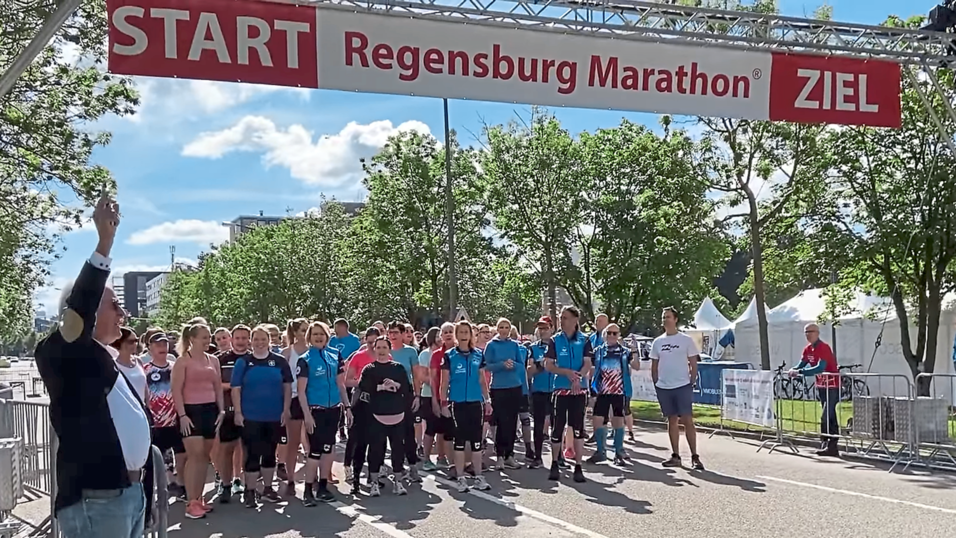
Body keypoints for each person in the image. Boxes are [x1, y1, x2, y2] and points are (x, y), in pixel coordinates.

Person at [35, 194, 154, 538]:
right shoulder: (63, 352)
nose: (123, 314)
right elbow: (79, 314)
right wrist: (104, 243)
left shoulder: (104, 357)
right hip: (96, 500)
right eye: (114, 305)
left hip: (126, 496)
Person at [232, 325, 293, 507]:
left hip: (274, 415)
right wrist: (237, 412)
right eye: (256, 339)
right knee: (252, 454)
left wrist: (286, 409)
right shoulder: (244, 362)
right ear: (251, 341)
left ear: (269, 341)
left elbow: (287, 386)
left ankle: (267, 488)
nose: (260, 343)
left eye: (263, 339)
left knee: (269, 454)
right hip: (250, 416)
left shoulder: (280, 361)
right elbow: (236, 388)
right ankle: (249, 491)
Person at [171, 321, 225, 519]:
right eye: (203, 337)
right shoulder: (182, 361)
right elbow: (176, 390)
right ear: (192, 339)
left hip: (211, 411)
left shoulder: (213, 360)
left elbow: (218, 387)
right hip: (191, 412)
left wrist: (221, 411)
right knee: (195, 456)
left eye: (208, 337)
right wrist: (182, 415)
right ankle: (191, 502)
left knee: (204, 457)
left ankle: (199, 498)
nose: (207, 340)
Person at [296, 321, 351, 505]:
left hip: (334, 410)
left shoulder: (335, 355)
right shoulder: (305, 359)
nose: (319, 337)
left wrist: (348, 407)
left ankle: (323, 486)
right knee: (315, 452)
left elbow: (341, 385)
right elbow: (301, 392)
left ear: (327, 336)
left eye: (322, 334)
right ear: (309, 338)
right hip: (315, 411)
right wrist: (307, 415)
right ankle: (308, 490)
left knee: (329, 448)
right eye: (315, 334)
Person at [359, 336, 417, 497]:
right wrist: (381, 387)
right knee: (376, 450)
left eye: (385, 347)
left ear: (389, 349)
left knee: (398, 449)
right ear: (374, 349)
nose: (382, 350)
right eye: (379, 347)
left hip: (397, 414)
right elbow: (364, 389)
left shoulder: (398, 368)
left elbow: (407, 388)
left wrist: (396, 385)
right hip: (376, 416)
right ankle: (374, 483)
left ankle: (398, 482)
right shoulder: (369, 369)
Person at [441, 320, 492, 493]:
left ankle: (478, 476)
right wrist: (443, 403)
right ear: (456, 335)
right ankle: (461, 477)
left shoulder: (478, 354)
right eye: (460, 332)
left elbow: (482, 380)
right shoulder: (449, 355)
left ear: (471, 335)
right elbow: (444, 381)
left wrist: (487, 400)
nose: (464, 335)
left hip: (475, 403)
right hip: (457, 403)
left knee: (477, 442)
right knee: (460, 441)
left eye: (466, 332)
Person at [651, 307, 704, 470]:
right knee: (672, 420)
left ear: (675, 319)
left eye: (668, 317)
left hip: (682, 385)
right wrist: (657, 383)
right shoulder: (658, 342)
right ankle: (675, 455)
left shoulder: (686, 340)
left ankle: (695, 456)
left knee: (687, 420)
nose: (665, 320)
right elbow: (654, 366)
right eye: (663, 317)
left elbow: (693, 363)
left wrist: (691, 381)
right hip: (664, 387)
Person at [545, 306, 591, 483]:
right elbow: (549, 365)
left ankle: (578, 466)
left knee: (578, 428)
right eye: (561, 317)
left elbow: (587, 363)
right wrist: (566, 372)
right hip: (560, 390)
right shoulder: (555, 340)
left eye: (565, 318)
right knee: (557, 428)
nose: (562, 321)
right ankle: (555, 462)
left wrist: (578, 377)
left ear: (575, 320)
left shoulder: (584, 340)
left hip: (579, 390)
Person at [143, 332, 187, 498]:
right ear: (149, 348)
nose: (162, 347)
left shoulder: (175, 367)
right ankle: (169, 484)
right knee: (162, 456)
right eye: (157, 345)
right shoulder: (145, 369)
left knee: (182, 453)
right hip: (156, 421)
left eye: (164, 344)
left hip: (176, 417)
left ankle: (182, 483)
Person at [789, 323, 840, 457]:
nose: (808, 335)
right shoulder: (807, 349)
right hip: (821, 386)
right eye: (806, 332)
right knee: (830, 416)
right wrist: (794, 369)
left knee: (826, 415)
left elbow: (820, 367)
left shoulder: (824, 347)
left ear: (817, 333)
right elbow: (802, 363)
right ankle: (831, 445)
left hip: (832, 386)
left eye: (810, 332)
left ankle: (828, 442)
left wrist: (800, 371)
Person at [588, 323, 635, 466]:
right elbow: (591, 370)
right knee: (597, 419)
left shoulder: (625, 351)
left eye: (615, 333)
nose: (612, 336)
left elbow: (636, 366)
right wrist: (592, 390)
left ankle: (618, 451)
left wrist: (635, 351)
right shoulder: (598, 351)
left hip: (619, 392)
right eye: (609, 333)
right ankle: (600, 451)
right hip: (602, 391)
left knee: (618, 421)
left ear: (619, 335)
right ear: (604, 335)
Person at [214, 325, 251, 503]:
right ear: (232, 339)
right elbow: (214, 384)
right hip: (228, 411)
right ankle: (225, 484)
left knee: (247, 449)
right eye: (238, 338)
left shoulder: (254, 358)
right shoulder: (219, 359)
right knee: (226, 450)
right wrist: (234, 386)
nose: (241, 341)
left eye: (245, 338)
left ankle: (243, 483)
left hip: (251, 411)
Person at [483, 318, 526, 470]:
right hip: (498, 388)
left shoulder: (515, 345)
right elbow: (486, 366)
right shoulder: (491, 345)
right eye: (501, 327)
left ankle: (510, 455)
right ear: (497, 328)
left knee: (512, 422)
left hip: (514, 386)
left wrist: (513, 364)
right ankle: (500, 456)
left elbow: (522, 366)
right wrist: (501, 365)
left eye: (506, 327)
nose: (503, 329)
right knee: (501, 422)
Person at [344, 327, 380, 486]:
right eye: (369, 341)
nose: (372, 345)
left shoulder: (385, 355)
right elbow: (347, 380)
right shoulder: (358, 356)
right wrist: (364, 383)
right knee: (356, 438)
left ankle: (373, 476)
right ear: (365, 340)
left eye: (375, 342)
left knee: (376, 440)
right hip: (360, 401)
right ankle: (350, 470)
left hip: (379, 403)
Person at [387, 321, 422, 481]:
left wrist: (417, 395)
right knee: (392, 434)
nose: (392, 335)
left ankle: (413, 466)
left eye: (395, 332)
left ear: (402, 334)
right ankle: (397, 468)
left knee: (408, 432)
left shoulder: (411, 351)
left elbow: (416, 375)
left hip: (405, 394)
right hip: (387, 395)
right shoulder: (384, 350)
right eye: (390, 332)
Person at [278, 318, 309, 493]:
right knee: (293, 442)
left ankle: (315, 478)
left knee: (312, 440)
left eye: (307, 330)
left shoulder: (314, 351)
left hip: (312, 398)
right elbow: (282, 380)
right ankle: (290, 478)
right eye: (303, 330)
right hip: (294, 399)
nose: (306, 333)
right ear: (295, 332)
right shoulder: (287, 353)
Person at [528, 317, 554, 469]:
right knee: (538, 425)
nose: (542, 331)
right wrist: (540, 366)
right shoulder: (533, 348)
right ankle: (537, 457)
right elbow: (529, 372)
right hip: (539, 391)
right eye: (540, 328)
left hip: (556, 390)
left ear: (551, 328)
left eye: (545, 328)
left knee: (557, 425)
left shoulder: (558, 346)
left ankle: (559, 457)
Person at [112, 327, 146, 401]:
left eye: (136, 340)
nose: (135, 344)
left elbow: (145, 388)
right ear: (120, 342)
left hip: (140, 408)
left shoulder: (138, 361)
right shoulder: (113, 364)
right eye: (131, 341)